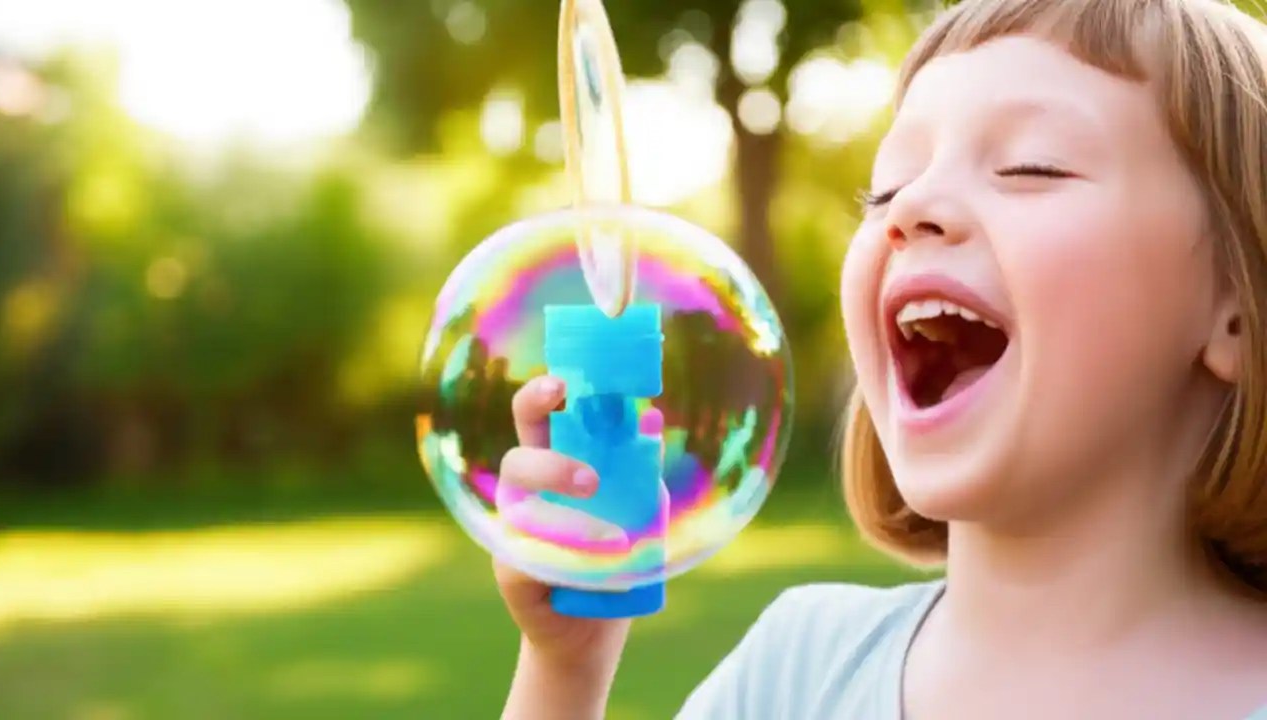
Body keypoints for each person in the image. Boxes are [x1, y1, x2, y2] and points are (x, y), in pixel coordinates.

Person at [493, 0, 1267, 717]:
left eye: (1032, 166)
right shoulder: (796, 668)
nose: (911, 208)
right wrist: (565, 671)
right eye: (888, 185)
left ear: (1235, 309)